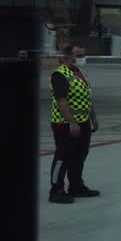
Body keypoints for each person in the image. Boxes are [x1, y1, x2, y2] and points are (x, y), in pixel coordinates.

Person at [49, 41, 100, 204]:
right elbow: (61, 101)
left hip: (83, 122)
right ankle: (56, 189)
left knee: (79, 155)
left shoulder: (80, 73)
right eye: (79, 55)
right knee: (62, 156)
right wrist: (72, 123)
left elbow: (86, 98)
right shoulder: (60, 74)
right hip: (64, 124)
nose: (82, 58)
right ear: (68, 56)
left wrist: (93, 117)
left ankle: (76, 186)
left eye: (83, 55)